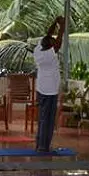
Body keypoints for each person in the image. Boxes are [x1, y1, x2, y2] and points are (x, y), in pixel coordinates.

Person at [33, 16, 64, 153]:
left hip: (42, 89)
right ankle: (43, 146)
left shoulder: (39, 50)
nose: (54, 43)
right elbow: (58, 42)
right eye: (52, 42)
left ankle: (40, 143)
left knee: (42, 117)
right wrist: (62, 26)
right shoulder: (49, 55)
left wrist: (54, 24)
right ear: (50, 46)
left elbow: (48, 35)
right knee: (48, 120)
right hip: (49, 91)